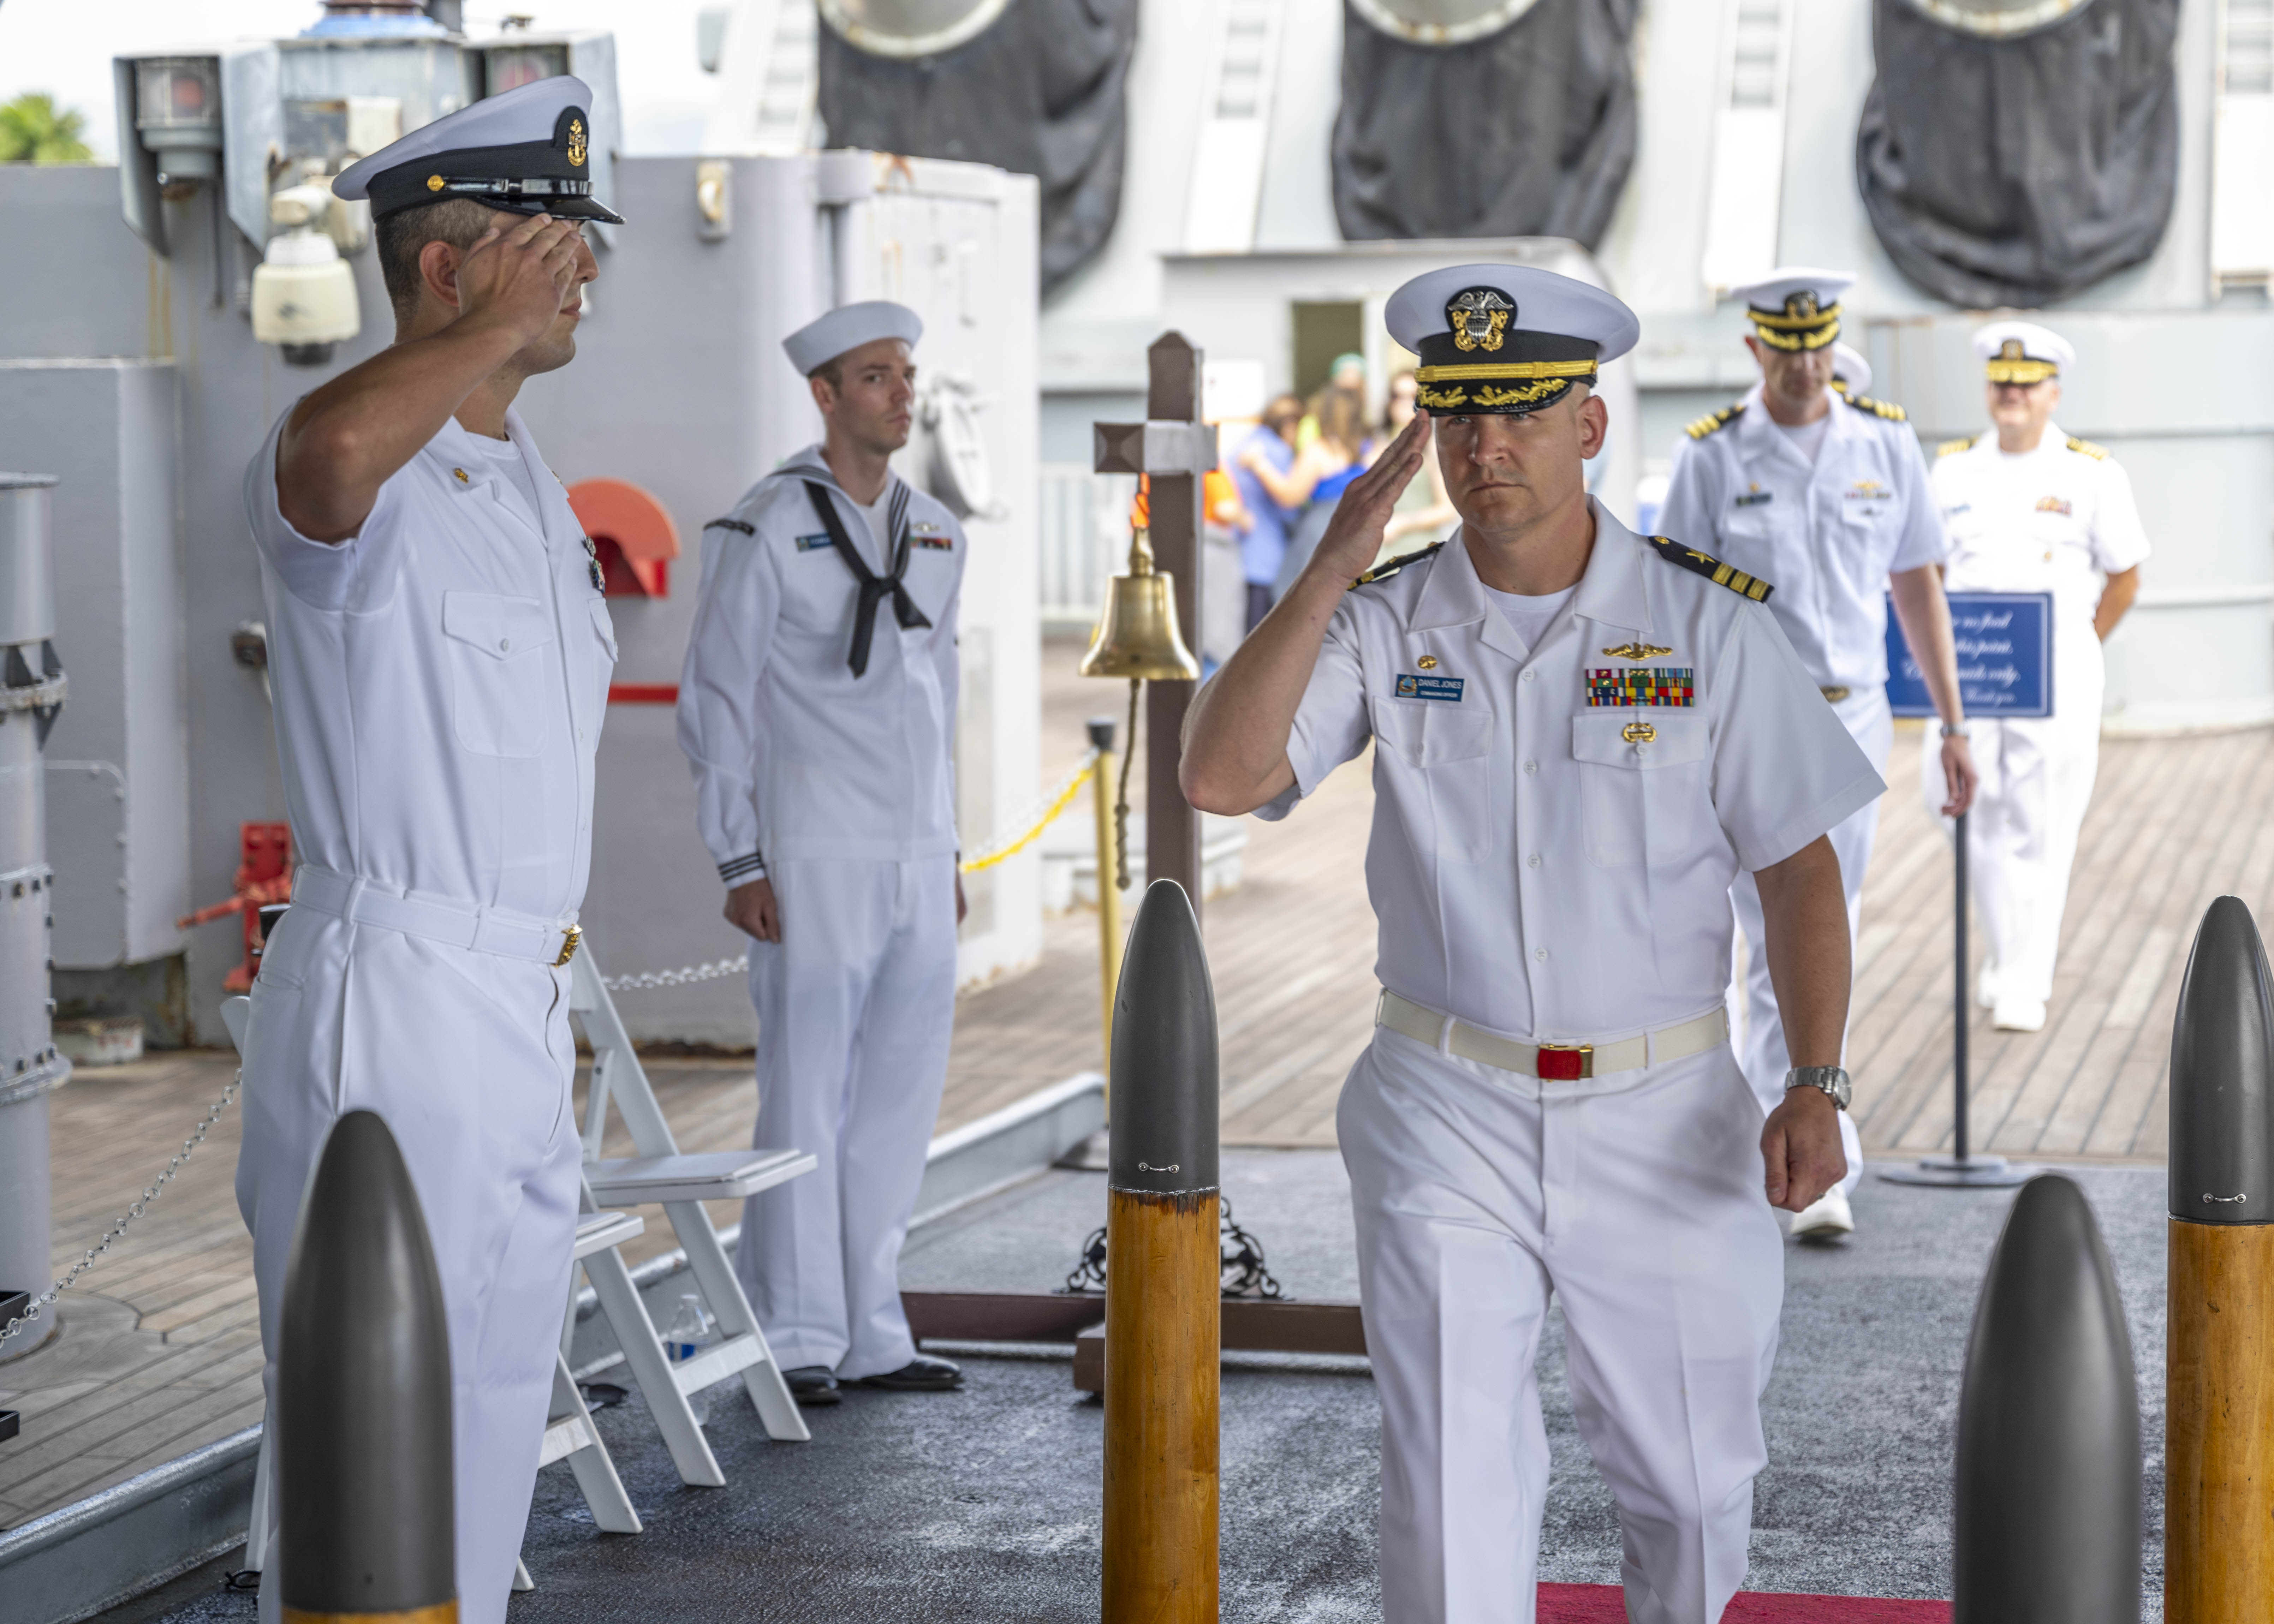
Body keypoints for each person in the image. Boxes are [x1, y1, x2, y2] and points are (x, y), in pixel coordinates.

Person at [1182, 263, 1878, 1624]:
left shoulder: (1704, 623)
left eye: (1517, 415)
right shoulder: (1383, 619)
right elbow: (1218, 775)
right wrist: (1325, 568)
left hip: (1666, 1108)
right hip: (1446, 1106)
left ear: (1589, 426)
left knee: (1688, 1492)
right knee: (1450, 1494)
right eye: (1456, 417)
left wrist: (1816, 1075)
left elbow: (1797, 868)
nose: (1482, 448)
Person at [234, 76, 618, 1624]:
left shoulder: (523, 480)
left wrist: (493, 347)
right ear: (449, 272)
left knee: (480, 1435)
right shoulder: (358, 469)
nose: (582, 270)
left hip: (523, 1003)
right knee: (364, 1451)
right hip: (393, 996)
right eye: (547, 246)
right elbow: (322, 459)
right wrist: (472, 341)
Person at [677, 300, 967, 1408]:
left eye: (906, 373)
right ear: (827, 395)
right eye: (877, 376)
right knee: (805, 1092)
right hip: (811, 848)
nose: (902, 393)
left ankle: (871, 1327)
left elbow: (938, 697)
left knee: (900, 1089)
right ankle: (794, 1331)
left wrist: (948, 850)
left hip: (912, 850)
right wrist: (738, 859)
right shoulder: (764, 527)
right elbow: (717, 700)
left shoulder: (937, 533)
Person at [1659, 267, 1977, 1240]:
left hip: (1852, 716)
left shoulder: (1885, 441)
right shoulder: (1712, 457)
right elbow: (1672, 606)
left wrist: (1955, 727)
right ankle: (1798, 1149)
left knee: (1817, 926)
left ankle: (1800, 1144)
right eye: (1784, 347)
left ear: (1835, 347)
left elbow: (1917, 588)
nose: (1803, 364)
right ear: (1754, 350)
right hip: (1745, 719)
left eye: (1818, 346)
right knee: (1751, 939)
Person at [1924, 322, 2146, 1032]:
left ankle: (2023, 978)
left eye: (2025, 384)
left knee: (2041, 822)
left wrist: (2078, 644)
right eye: (2000, 382)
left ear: (2053, 393)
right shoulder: (1952, 469)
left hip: (2057, 671)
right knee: (1955, 804)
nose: (2010, 394)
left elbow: (2125, 575)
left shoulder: (2091, 473)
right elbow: (1927, 567)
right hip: (1971, 668)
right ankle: (2007, 948)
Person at [1233, 393, 1311, 626]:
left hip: (1239, 557)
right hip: (1269, 562)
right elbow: (1290, 509)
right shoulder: (1279, 453)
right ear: (1291, 426)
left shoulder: (1242, 446)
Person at [1381, 368, 1457, 559]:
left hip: (1414, 550)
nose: (1403, 403)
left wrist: (1401, 524)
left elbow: (1448, 509)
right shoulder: (1375, 443)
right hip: (1377, 551)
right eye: (1397, 396)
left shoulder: (1432, 445)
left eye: (1412, 396)